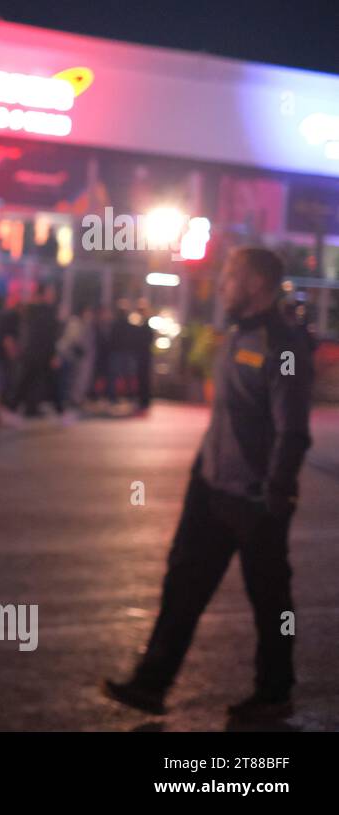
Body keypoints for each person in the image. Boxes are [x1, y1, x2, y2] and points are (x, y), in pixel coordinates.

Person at [103, 247, 313, 721]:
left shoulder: (283, 346)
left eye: (231, 275)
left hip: (256, 499)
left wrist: (275, 491)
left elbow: (293, 428)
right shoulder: (235, 334)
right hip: (212, 489)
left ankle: (275, 692)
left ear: (257, 283)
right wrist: (202, 470)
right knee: (183, 586)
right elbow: (225, 417)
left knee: (270, 601)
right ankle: (150, 685)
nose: (221, 283)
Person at [5, 280, 62, 418]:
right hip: (43, 353)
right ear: (44, 294)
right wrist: (54, 354)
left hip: (30, 352)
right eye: (50, 293)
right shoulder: (47, 311)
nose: (52, 296)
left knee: (25, 381)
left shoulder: (29, 310)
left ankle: (14, 408)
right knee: (47, 382)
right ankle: (61, 411)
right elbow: (49, 336)